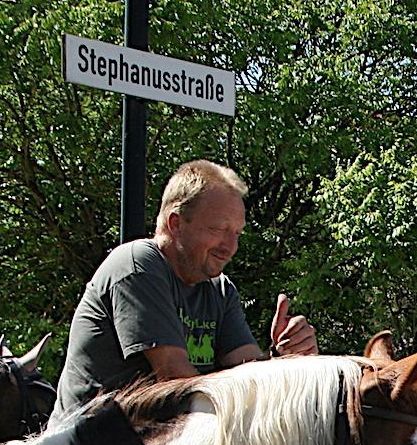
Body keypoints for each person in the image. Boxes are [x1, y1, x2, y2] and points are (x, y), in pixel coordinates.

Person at [49, 159, 317, 423]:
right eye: (218, 229)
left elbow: (247, 376)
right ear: (175, 223)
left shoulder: (220, 289)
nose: (230, 246)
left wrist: (283, 359)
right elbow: (177, 382)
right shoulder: (138, 265)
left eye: (237, 233)